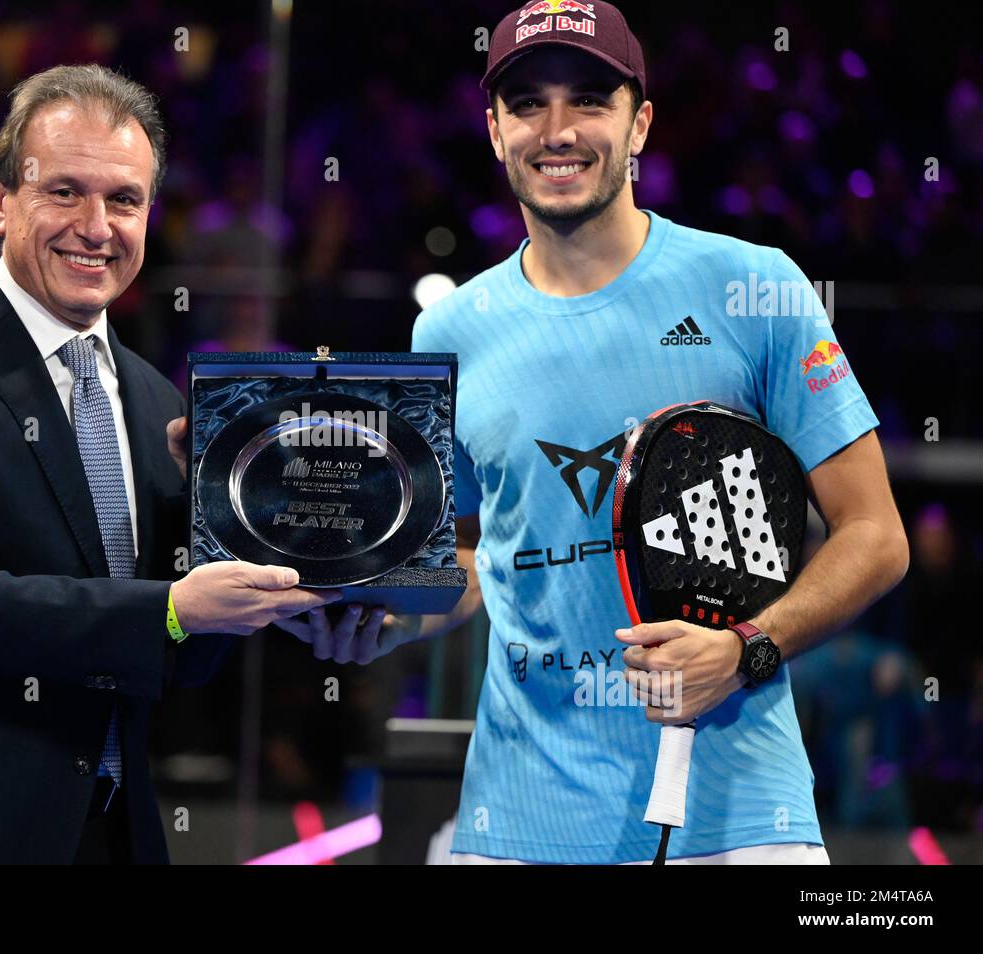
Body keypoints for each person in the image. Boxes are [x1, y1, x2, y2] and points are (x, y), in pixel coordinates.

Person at [282, 1, 908, 864]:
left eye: (589, 100)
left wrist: (743, 650)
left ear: (640, 122)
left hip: (737, 823)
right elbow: (471, 562)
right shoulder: (449, 332)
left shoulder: (754, 286)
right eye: (529, 103)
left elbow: (876, 536)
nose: (558, 130)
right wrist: (384, 618)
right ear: (495, 129)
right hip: (516, 823)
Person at [0, 64, 337, 865]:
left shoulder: (156, 401)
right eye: (64, 191)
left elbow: (181, 654)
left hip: (107, 835)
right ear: (1, 199)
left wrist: (296, 579)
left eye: (125, 200)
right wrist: (171, 609)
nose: (97, 226)